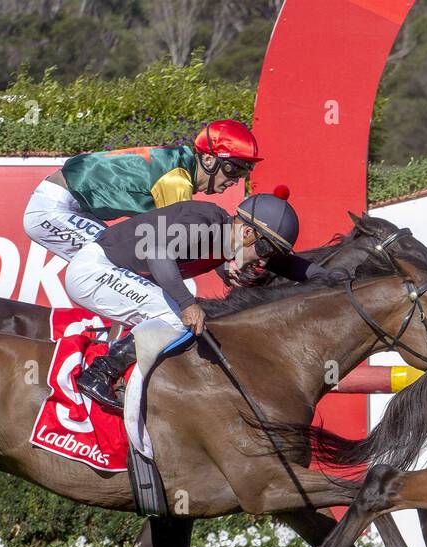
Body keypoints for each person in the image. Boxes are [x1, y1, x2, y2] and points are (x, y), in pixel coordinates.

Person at [65, 189, 321, 410]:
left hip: (109, 273)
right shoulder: (205, 220)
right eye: (266, 250)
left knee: (180, 318)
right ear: (246, 232)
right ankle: (99, 373)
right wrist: (187, 303)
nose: (265, 260)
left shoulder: (231, 237)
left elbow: (292, 266)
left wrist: (340, 277)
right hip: (95, 270)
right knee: (178, 316)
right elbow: (157, 254)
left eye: (273, 252)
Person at [22, 119, 261, 263]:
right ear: (209, 160)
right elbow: (182, 246)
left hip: (72, 204)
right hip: (56, 208)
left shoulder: (179, 164)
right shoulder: (176, 181)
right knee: (115, 264)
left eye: (242, 175)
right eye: (233, 170)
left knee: (120, 267)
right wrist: (232, 259)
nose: (235, 181)